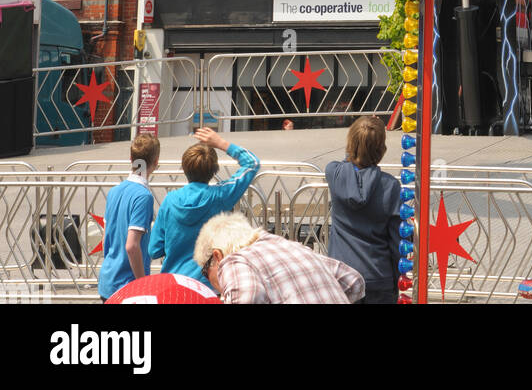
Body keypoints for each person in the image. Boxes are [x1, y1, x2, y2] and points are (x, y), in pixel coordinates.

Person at [148, 127, 260, 280]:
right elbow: (252, 163)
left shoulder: (170, 200)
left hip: (174, 282)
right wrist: (221, 143)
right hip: (208, 284)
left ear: (185, 168)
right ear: (214, 170)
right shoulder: (221, 196)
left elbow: (154, 249)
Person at [194, 212, 365, 304]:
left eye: (205, 272)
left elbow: (249, 298)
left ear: (217, 256)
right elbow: (354, 280)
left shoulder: (233, 261)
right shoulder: (293, 247)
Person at [325, 115, 401, 305]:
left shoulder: (333, 172)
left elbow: (347, 162)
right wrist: (396, 282)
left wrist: (358, 143)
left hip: (341, 276)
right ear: (381, 148)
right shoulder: (390, 186)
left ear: (350, 142)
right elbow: (396, 243)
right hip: (378, 277)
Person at [97, 133, 161, 302]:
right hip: (128, 286)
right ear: (155, 162)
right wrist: (143, 284)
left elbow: (105, 239)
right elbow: (132, 246)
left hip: (108, 280)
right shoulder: (143, 197)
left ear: (131, 158)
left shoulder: (114, 191)